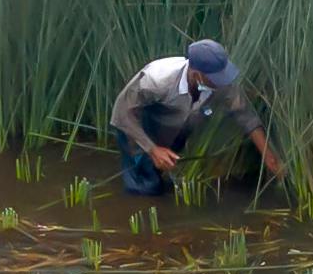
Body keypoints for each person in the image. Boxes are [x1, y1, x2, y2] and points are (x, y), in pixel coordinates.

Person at [108, 38, 284, 201]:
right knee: (145, 187)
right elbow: (122, 113)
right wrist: (152, 149)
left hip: (173, 130)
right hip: (139, 129)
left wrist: (269, 157)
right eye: (216, 77)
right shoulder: (157, 79)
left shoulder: (222, 83)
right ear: (196, 74)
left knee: (159, 179)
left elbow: (245, 115)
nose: (222, 82)